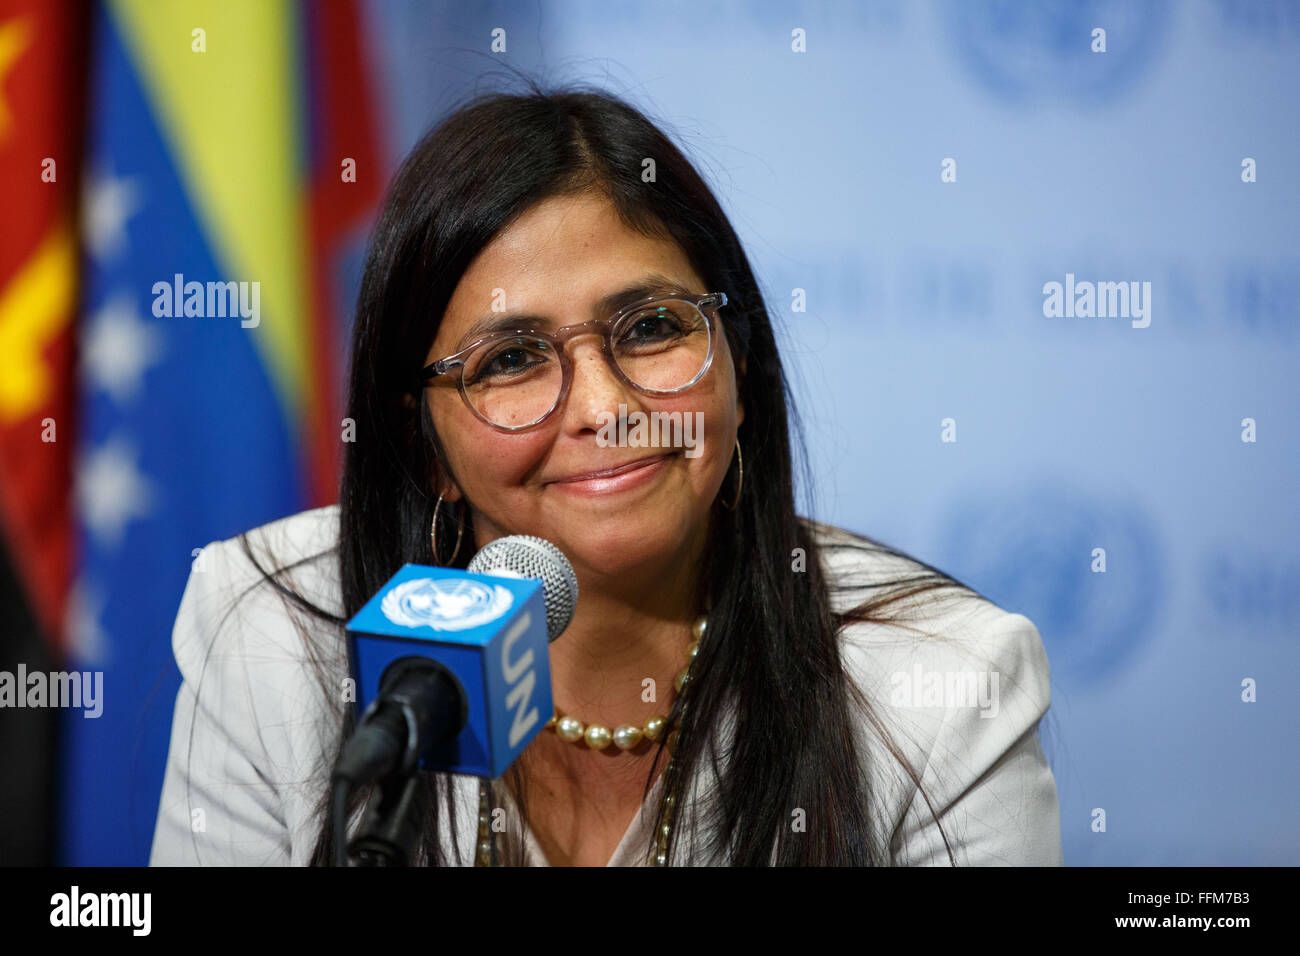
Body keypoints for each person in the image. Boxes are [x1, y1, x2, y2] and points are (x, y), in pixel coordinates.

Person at [149, 84, 1062, 867]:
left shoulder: (942, 689)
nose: (603, 406)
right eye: (508, 359)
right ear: (428, 447)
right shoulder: (276, 637)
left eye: (654, 329)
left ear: (739, 371)